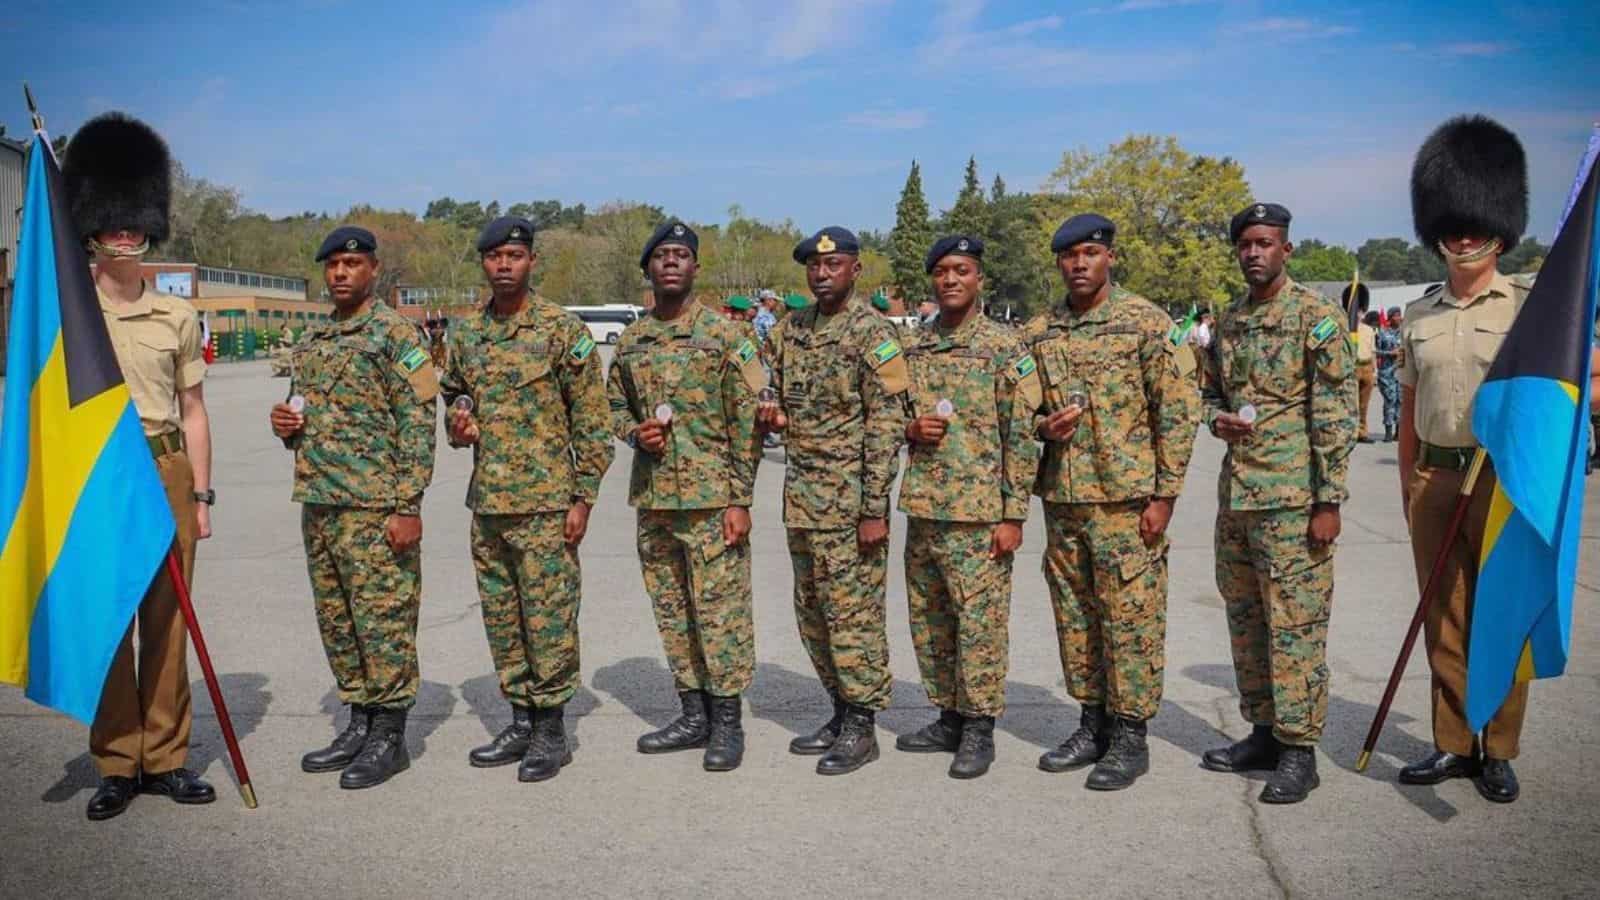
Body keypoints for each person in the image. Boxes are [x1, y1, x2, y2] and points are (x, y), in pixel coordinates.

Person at [65, 112, 218, 821]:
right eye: (112, 223)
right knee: (111, 618)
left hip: (165, 473)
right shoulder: (68, 315)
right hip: (97, 479)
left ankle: (167, 757)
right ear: (91, 225)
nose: (125, 235)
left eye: (135, 225)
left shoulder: (175, 317)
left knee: (169, 620)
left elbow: (192, 409)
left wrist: (203, 494)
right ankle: (117, 761)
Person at [1021, 214, 1199, 791]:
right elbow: (1017, 409)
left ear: (1110, 258)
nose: (1079, 264)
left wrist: (1165, 495)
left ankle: (1130, 734)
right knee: (1075, 618)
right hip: (1064, 501)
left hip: (1126, 502)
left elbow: (1178, 412)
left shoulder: (1147, 324)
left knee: (1131, 621)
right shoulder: (1040, 330)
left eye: (1090, 253)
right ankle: (1090, 722)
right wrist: (1042, 427)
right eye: (1069, 255)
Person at [1396, 116, 1542, 802]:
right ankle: (1452, 744)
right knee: (1444, 615)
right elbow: (1409, 403)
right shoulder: (1417, 316)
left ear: (1500, 228)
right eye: (1450, 225)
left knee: (1502, 615)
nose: (1462, 235)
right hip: (1434, 472)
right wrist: (1408, 483)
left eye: (1474, 222)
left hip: (1505, 481)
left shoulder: (1531, 310)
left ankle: (1499, 749)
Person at [440, 217, 612, 782]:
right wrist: (458, 424)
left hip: (546, 505)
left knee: (550, 620)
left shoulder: (561, 330)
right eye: (494, 256)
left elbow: (593, 422)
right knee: (503, 619)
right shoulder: (465, 335)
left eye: (514, 254)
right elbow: (453, 400)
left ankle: (550, 730)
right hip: (488, 504)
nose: (504, 265)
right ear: (483, 264)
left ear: (532, 261)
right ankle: (519, 718)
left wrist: (582, 497)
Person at [269, 225, 438, 790]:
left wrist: (407, 505)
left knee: (383, 621)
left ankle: (389, 735)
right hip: (319, 503)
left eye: (352, 264)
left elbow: (418, 422)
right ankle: (359, 719)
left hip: (374, 508)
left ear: (372, 270)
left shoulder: (397, 336)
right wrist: (286, 428)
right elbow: (304, 417)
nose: (340, 273)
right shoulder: (315, 343)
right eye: (333, 265)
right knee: (339, 622)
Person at [1198, 202, 1356, 804]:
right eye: (1245, 244)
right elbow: (1209, 390)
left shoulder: (1316, 317)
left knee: (1295, 627)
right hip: (1237, 499)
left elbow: (1337, 414)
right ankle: (1263, 731)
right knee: (1247, 621)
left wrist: (1329, 500)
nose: (1254, 253)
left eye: (1265, 243)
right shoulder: (1230, 318)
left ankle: (1298, 751)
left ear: (1287, 249)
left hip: (1294, 501)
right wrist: (1216, 419)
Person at [608, 222, 765, 772]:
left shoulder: (727, 338)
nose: (671, 263)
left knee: (720, 616)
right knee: (673, 613)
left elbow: (749, 422)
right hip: (654, 501)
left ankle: (727, 722)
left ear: (696, 268)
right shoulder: (631, 341)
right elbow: (613, 408)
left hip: (712, 502)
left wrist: (740, 500)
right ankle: (692, 713)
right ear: (648, 269)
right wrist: (634, 433)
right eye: (661, 255)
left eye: (681, 255)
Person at [758, 226, 911, 775]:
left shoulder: (875, 335)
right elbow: (761, 379)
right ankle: (840, 706)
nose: (822, 275)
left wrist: (874, 509)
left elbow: (885, 426)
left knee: (854, 617)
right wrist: (767, 407)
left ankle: (862, 725)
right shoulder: (790, 329)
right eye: (814, 267)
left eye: (834, 265)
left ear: (856, 271)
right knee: (814, 614)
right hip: (801, 499)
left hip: (850, 507)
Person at [896, 236, 1040, 779]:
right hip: (925, 508)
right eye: (942, 272)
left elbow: (1022, 437)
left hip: (980, 515)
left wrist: (1013, 515)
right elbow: (888, 418)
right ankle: (948, 715)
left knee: (979, 625)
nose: (951, 280)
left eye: (962, 270)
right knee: (931, 621)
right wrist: (909, 428)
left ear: (980, 279)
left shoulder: (1006, 348)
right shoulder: (912, 350)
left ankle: (980, 727)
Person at [1347, 284, 1377, 443]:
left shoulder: (1369, 330)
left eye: (1360, 311)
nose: (1358, 314)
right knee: (1352, 403)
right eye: (1355, 311)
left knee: (1364, 404)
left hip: (1367, 367)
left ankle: (1362, 432)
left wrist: (1375, 370)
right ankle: (1350, 431)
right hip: (1353, 366)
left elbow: (1372, 351)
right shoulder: (1346, 328)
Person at [1375, 306, 1404, 442]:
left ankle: (1399, 432)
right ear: (1390, 317)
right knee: (1389, 401)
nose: (1398, 318)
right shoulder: (1382, 333)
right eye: (1395, 316)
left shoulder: (1404, 332)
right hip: (1387, 374)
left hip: (1401, 372)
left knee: (1401, 401)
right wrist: (1389, 353)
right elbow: (1375, 350)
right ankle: (1388, 431)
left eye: (1399, 315)